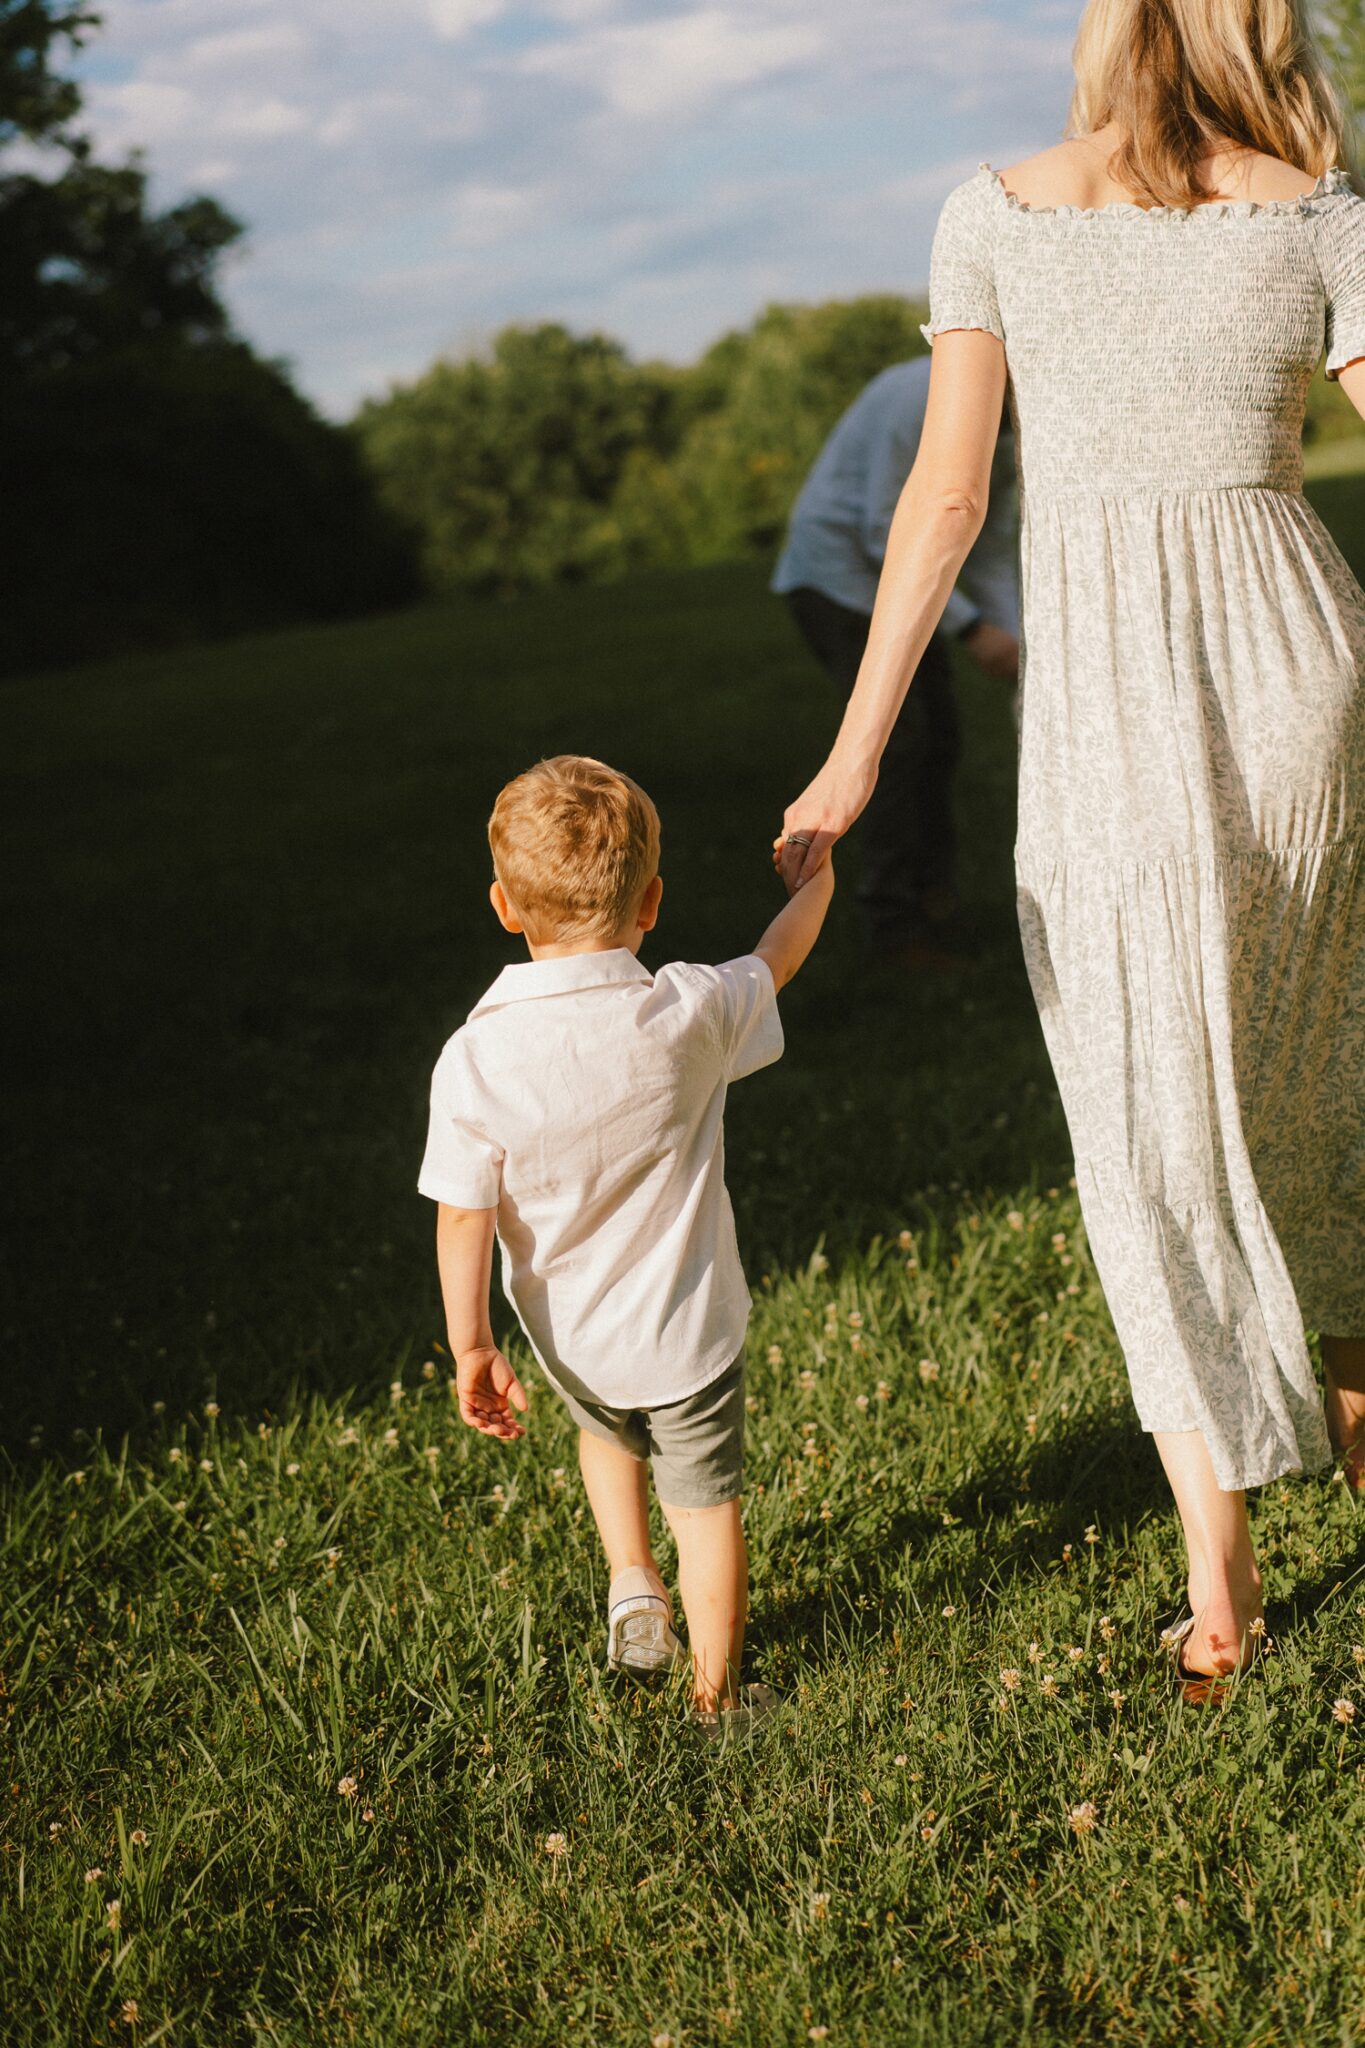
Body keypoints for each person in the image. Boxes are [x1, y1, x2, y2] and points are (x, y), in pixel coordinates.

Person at [775, 0, 1365, 1695]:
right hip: (1307, 660)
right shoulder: (1323, 213)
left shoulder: (996, 212)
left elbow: (947, 503)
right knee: (1317, 1069)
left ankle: (1223, 1588)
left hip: (1114, 696)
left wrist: (854, 750)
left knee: (1144, 1107)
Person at [418, 755, 833, 1728]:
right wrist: (813, 880)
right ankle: (714, 1692)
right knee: (707, 1507)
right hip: (687, 1338)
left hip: (570, 1340)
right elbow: (777, 958)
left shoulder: (475, 1055)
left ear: (504, 906)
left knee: (605, 1431)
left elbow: (461, 1214)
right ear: (651, 900)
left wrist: (472, 1342)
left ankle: (632, 1581)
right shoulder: (686, 1009)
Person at [771, 358, 1020, 966]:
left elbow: (986, 546)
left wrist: (1012, 636)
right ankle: (892, 924)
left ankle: (936, 900)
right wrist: (971, 629)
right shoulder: (926, 392)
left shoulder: (1015, 413)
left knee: (940, 739)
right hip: (839, 580)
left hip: (905, 582)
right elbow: (887, 528)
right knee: (898, 745)